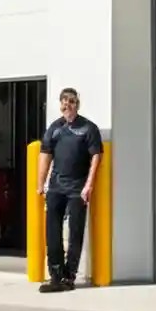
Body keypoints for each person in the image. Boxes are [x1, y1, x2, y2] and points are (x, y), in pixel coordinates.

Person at [36, 87, 102, 293]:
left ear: (77, 105)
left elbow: (96, 156)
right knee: (52, 231)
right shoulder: (54, 128)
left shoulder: (88, 128)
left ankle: (69, 276)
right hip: (56, 187)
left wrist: (89, 185)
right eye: (64, 101)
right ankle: (55, 275)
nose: (67, 105)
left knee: (75, 232)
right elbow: (45, 154)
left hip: (77, 188)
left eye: (71, 101)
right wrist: (40, 183)